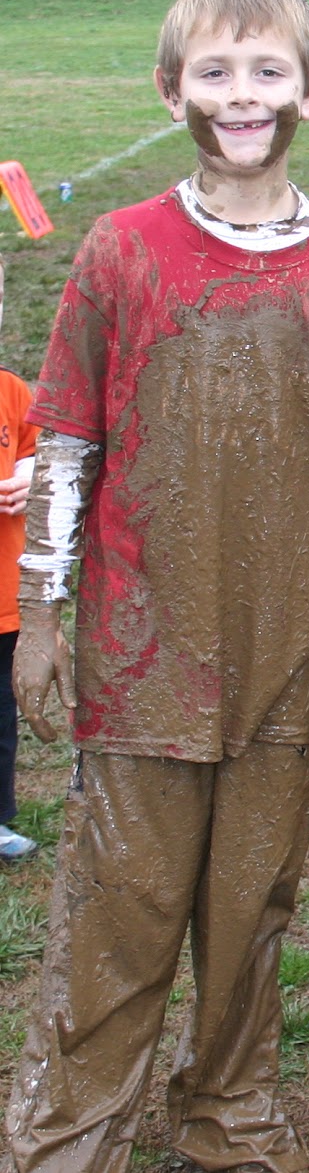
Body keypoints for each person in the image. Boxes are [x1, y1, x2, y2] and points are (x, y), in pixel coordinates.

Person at [6, 0, 309, 1173]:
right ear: (171, 89)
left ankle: (226, 1109)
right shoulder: (119, 250)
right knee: (119, 913)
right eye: (216, 71)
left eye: (269, 71)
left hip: (291, 650)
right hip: (141, 648)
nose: (244, 97)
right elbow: (67, 443)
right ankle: (68, 1128)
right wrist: (42, 612)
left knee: (249, 909)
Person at [0, 258, 39, 863]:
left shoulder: (10, 389)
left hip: (4, 601)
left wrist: (32, 474)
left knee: (0, 719)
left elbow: (41, 445)